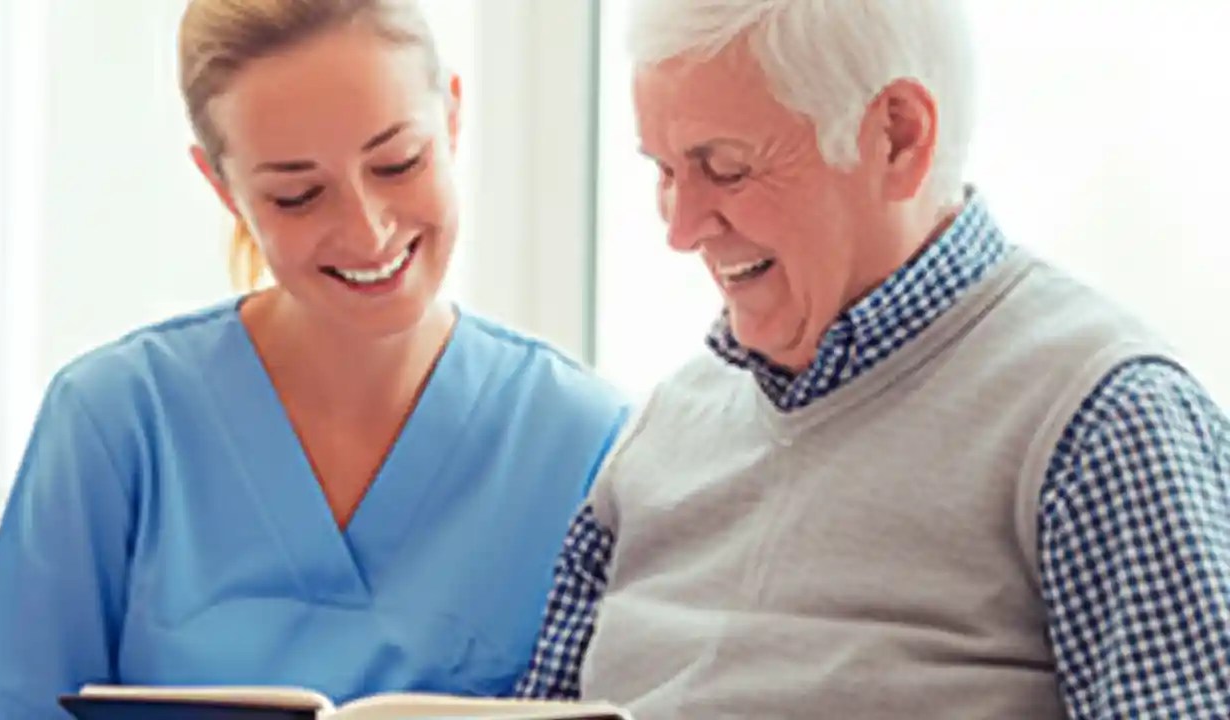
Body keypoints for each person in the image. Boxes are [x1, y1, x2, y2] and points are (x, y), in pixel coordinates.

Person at [516, 0, 1230, 717]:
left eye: (726, 169)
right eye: (666, 171)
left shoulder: (1104, 420)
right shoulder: (659, 438)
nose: (679, 228)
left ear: (897, 138)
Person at [0, 1, 629, 717]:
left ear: (452, 119)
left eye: (399, 162)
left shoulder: (589, 442)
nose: (368, 230)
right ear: (224, 189)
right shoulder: (115, 423)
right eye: (298, 196)